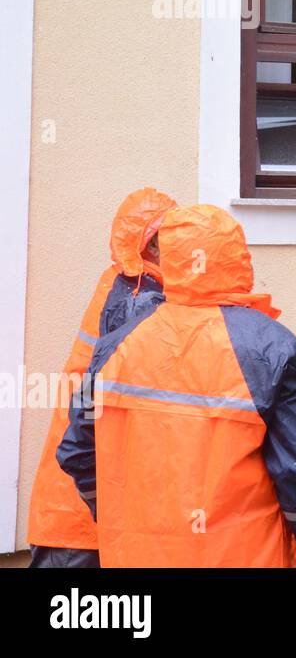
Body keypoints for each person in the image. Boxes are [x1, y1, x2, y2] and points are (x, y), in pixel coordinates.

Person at [58, 204, 296, 568]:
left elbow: (76, 452)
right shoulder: (274, 350)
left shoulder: (115, 347)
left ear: (170, 259)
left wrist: (114, 516)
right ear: (238, 258)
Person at [27, 187, 176, 568]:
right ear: (149, 246)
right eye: (165, 239)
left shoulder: (122, 286)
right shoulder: (140, 296)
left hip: (77, 498)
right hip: (84, 506)